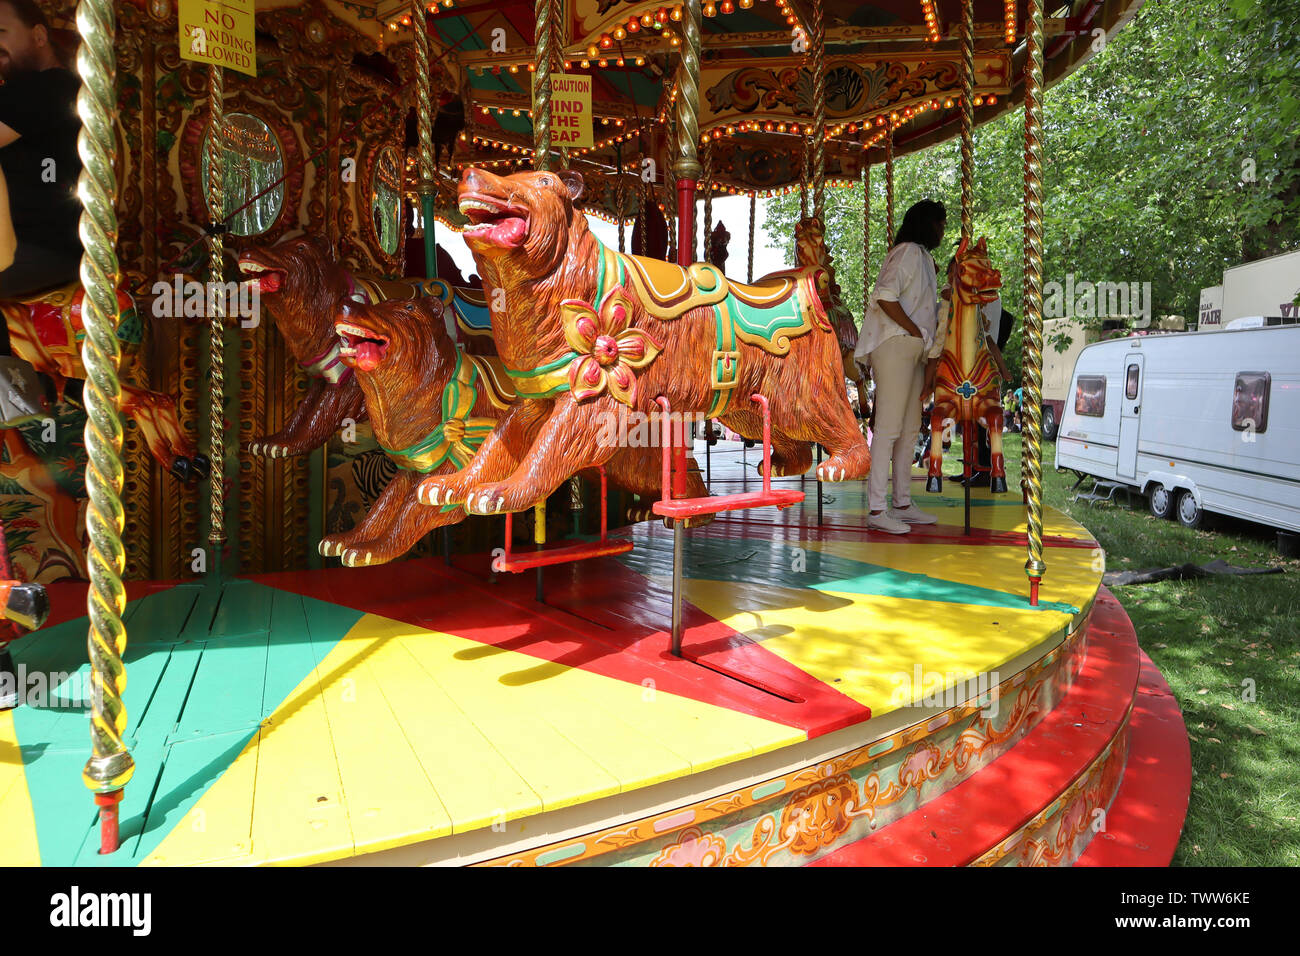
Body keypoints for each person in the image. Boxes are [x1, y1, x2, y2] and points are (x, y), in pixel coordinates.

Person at [854, 199, 947, 534]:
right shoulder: (907, 252)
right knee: (890, 428)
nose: (942, 230)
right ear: (925, 224)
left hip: (913, 348)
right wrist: (910, 329)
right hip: (896, 344)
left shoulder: (921, 258)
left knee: (909, 428)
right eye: (939, 224)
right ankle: (878, 507)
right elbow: (883, 295)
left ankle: (902, 503)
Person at [0, 0, 82, 298]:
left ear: (38, 35)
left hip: (41, 249)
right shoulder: (59, 86)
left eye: (1, 32)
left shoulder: (44, 88)